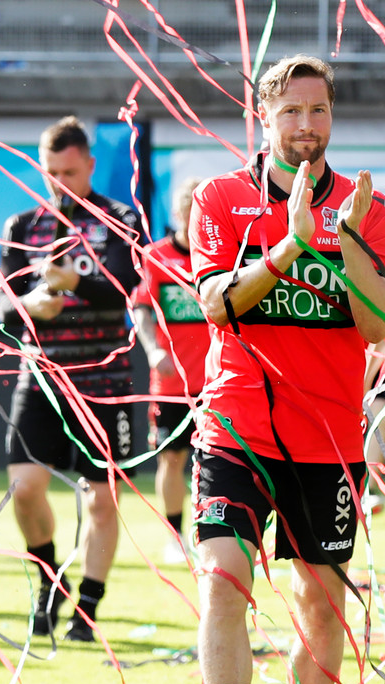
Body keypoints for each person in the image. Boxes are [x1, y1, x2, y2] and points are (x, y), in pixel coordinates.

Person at [188, 54, 385, 684]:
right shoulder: (220, 196)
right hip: (234, 423)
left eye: (318, 111)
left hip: (328, 436)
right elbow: (218, 305)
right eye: (290, 112)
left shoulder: (367, 205)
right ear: (263, 116)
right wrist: (288, 243)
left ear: (331, 116)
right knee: (223, 578)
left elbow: (379, 325)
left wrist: (340, 245)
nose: (305, 127)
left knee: (320, 599)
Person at [0, 115, 144, 642]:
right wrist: (32, 303)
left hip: (106, 381)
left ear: (90, 165)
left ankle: (87, 607)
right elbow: (5, 305)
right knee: (24, 489)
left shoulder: (123, 218)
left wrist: (74, 280)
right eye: (50, 172)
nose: (59, 182)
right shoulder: (22, 226)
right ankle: (47, 585)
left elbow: (129, 289)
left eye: (69, 171)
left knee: (102, 501)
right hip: (39, 378)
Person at [132, 176, 209, 565]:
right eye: (189, 213)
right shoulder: (157, 256)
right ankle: (175, 536)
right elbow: (141, 307)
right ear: (178, 214)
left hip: (217, 382)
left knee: (217, 460)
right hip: (172, 382)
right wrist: (151, 349)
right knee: (172, 459)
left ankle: (211, 535)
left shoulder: (221, 256)